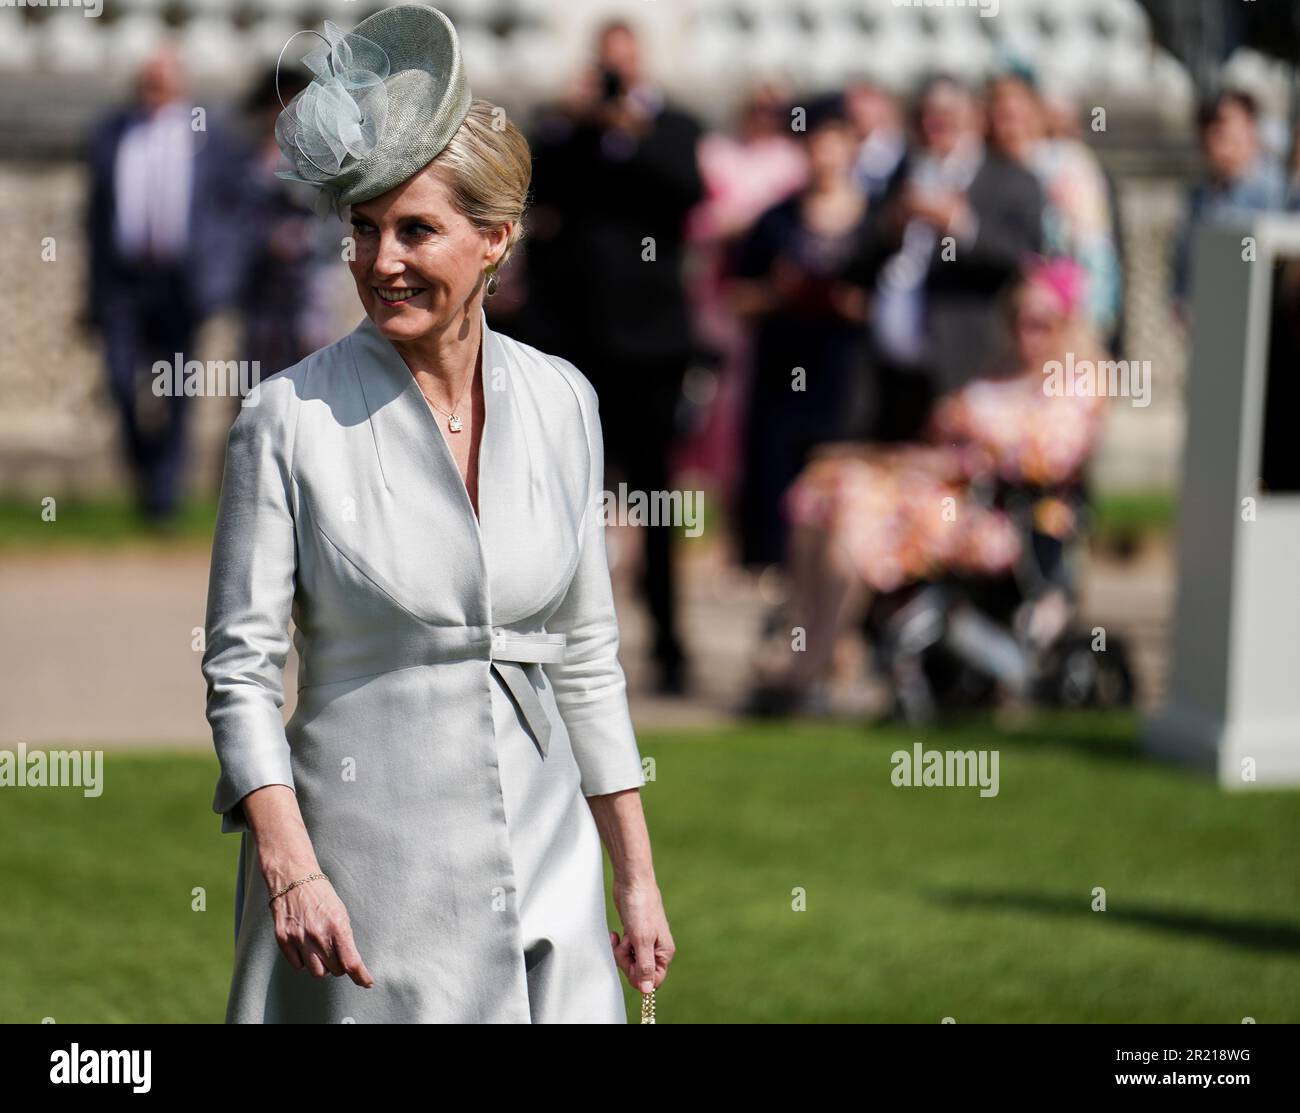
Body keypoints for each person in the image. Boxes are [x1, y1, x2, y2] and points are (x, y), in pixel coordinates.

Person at [201, 5, 672, 1024]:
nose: (381, 263)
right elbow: (238, 673)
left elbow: (587, 654)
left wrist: (632, 875)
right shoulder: (285, 416)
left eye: (416, 230)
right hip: (362, 869)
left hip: (546, 852)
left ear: (496, 239)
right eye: (364, 231)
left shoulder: (562, 400)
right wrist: (291, 867)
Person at [747, 257, 1106, 714]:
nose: (1025, 333)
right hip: (947, 488)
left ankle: (817, 665)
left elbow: (1045, 459)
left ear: (1065, 325)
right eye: (1018, 319)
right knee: (823, 485)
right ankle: (813, 649)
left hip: (1001, 517)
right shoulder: (998, 371)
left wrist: (976, 439)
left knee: (857, 508)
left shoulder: (1079, 380)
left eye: (1040, 324)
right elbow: (943, 439)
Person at [516, 19, 704, 695]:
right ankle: (562, 638)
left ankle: (670, 642)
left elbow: (684, 191)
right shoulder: (567, 134)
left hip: (650, 347)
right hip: (573, 343)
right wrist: (578, 122)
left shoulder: (675, 127)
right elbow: (529, 190)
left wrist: (629, 127)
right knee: (565, 495)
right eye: (608, 69)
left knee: (654, 499)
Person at [84, 42, 247, 525]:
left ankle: (164, 500)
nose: (153, 90)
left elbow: (232, 211)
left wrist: (220, 277)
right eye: (146, 80)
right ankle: (146, 467)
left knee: (176, 388)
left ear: (180, 84)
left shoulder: (209, 135)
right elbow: (94, 217)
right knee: (119, 380)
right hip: (124, 282)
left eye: (161, 81)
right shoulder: (111, 133)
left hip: (182, 282)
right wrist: (89, 289)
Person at [729, 92, 887, 572]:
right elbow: (737, 297)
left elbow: (894, 306)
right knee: (780, 504)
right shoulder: (775, 220)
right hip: (782, 378)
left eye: (835, 143)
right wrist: (779, 293)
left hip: (848, 379)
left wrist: (853, 304)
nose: (824, 155)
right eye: (815, 144)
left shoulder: (877, 222)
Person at [872, 74, 1044, 439]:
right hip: (893, 370)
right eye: (927, 114)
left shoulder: (1011, 179)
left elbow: (1024, 256)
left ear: (975, 117)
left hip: (964, 357)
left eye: (948, 114)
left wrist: (957, 223)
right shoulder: (902, 173)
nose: (936, 124)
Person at [1171, 88, 1287, 317]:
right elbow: (1185, 262)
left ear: (1251, 127)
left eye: (1223, 128)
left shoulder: (1281, 193)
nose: (1214, 141)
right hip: (1212, 321)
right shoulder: (1199, 197)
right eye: (1208, 131)